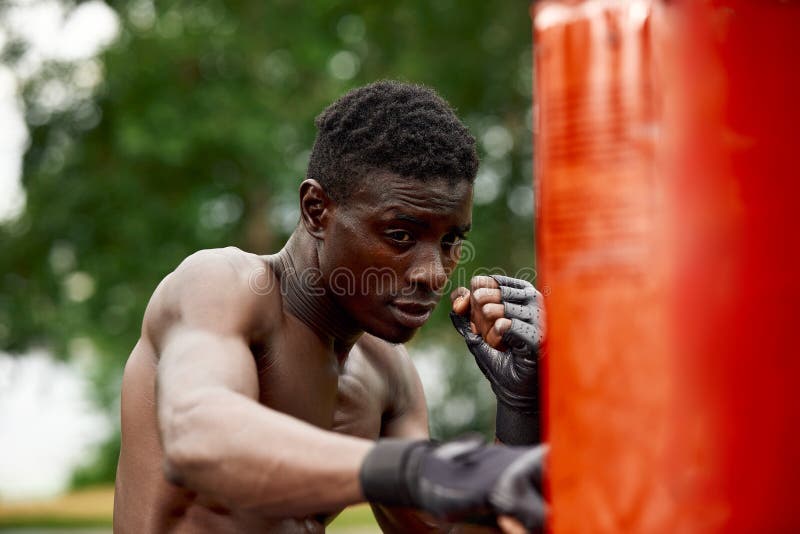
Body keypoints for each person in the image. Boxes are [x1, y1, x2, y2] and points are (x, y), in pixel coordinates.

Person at [113, 80, 546, 533]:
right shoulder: (224, 286)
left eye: (451, 240)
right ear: (317, 209)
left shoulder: (386, 372)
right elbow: (197, 435)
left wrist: (520, 411)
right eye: (400, 235)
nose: (434, 273)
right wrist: (412, 470)